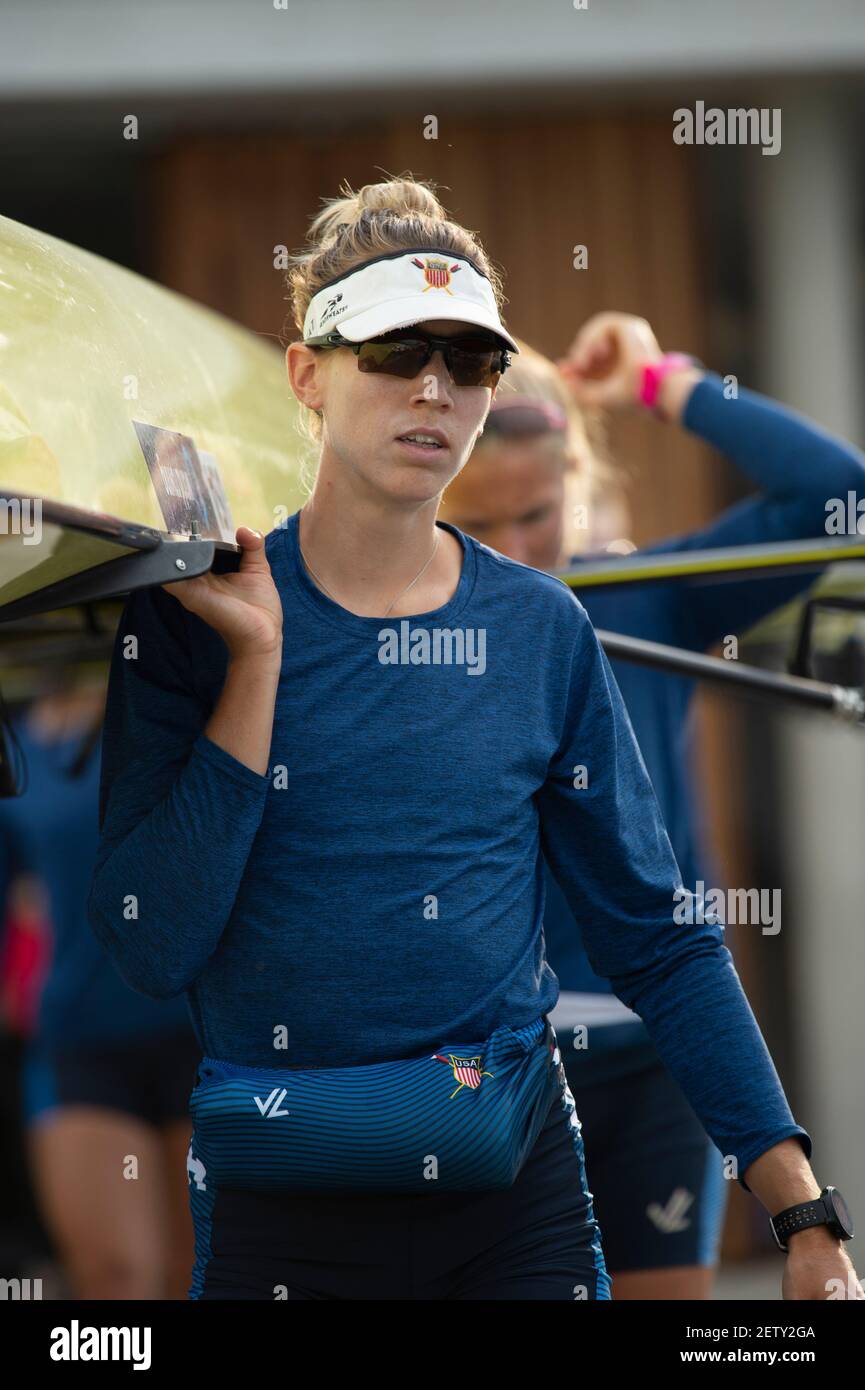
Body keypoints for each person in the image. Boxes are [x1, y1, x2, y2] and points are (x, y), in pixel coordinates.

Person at [88, 176, 861, 1301]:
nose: (435, 389)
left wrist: (801, 1210)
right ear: (306, 372)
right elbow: (153, 946)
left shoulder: (544, 626)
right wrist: (256, 663)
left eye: (471, 359)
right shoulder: (189, 614)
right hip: (281, 1205)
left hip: (515, 1206)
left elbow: (659, 935)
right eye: (396, 353)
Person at [440, 316, 865, 1299]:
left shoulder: (645, 598)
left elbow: (835, 493)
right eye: (479, 524)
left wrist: (659, 380)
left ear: (578, 485)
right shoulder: (411, 624)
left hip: (657, 1044)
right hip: (487, 1061)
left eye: (536, 515)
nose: (513, 551)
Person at [0, 674, 198, 1298]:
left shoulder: (179, 708)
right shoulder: (18, 748)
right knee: (117, 1283)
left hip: (198, 1033)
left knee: (198, 1276)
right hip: (78, 1039)